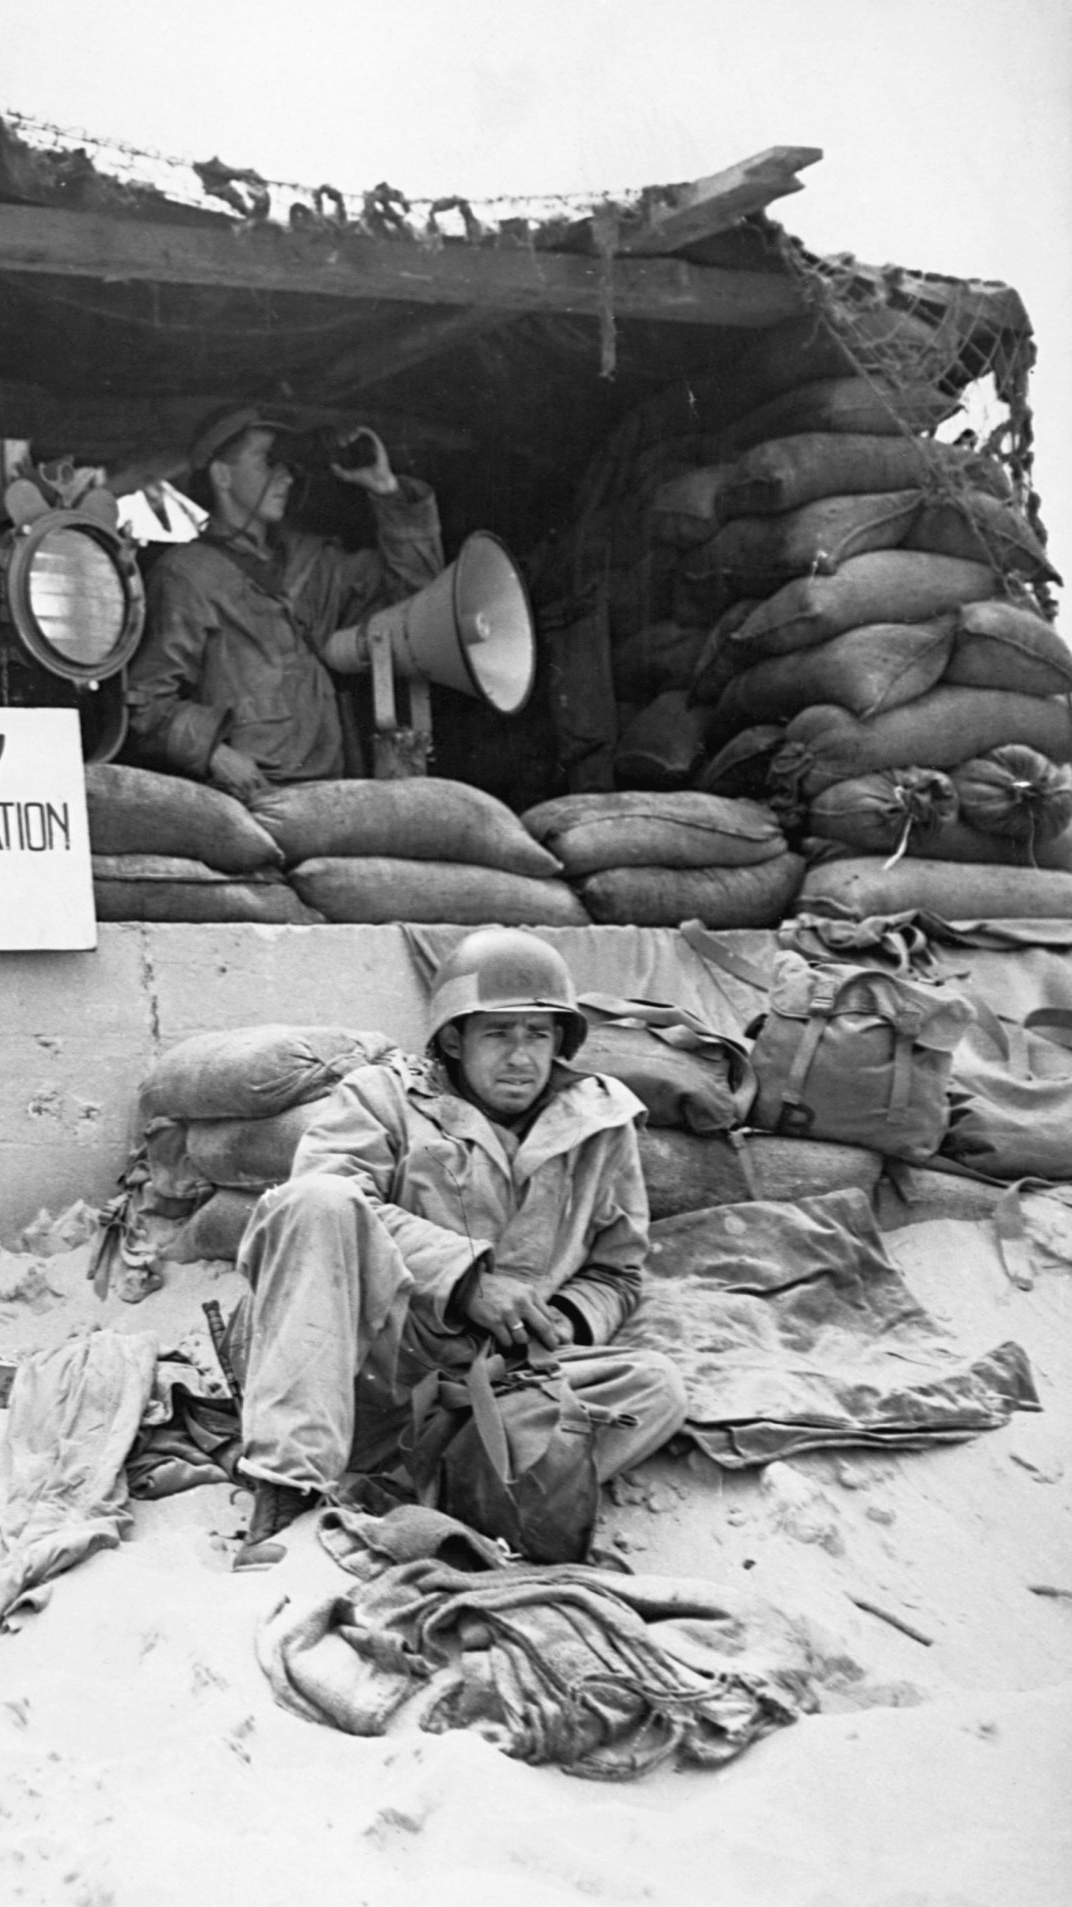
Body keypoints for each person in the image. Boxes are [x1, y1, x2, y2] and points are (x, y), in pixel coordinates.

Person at [229, 930, 688, 1554]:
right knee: (317, 1202)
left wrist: (559, 1326)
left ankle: (453, 1487)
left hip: (488, 1381)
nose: (521, 1058)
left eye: (538, 1036)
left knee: (656, 1385)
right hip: (363, 1356)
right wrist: (466, 1282)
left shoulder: (600, 1124)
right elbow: (319, 1204)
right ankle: (286, 1487)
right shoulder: (383, 1097)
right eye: (498, 1034)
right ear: (454, 1038)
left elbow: (618, 1272)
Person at [121, 405, 444, 799]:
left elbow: (418, 597)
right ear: (223, 475)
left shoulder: (313, 564)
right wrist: (214, 754)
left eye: (288, 465)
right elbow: (145, 700)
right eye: (268, 463)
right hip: (249, 794)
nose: (287, 478)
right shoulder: (187, 575)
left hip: (329, 788)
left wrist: (385, 489)